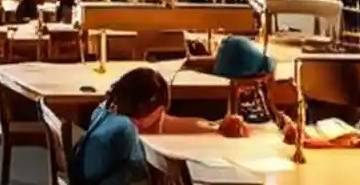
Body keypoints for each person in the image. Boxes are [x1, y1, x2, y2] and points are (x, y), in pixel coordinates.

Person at [71, 67, 248, 185]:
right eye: (160, 111)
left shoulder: (104, 111)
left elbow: (167, 124)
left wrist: (214, 127)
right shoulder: (125, 130)